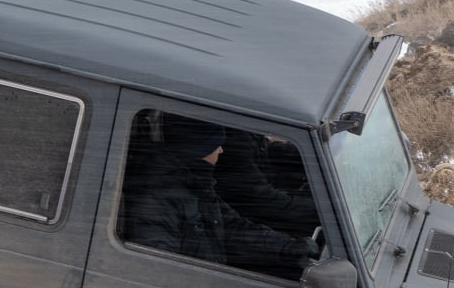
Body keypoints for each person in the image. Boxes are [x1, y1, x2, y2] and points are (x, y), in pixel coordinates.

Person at [122, 113, 318, 276]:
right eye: (216, 145)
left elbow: (234, 228)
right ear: (198, 151)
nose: (221, 150)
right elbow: (156, 271)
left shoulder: (196, 184)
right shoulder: (157, 199)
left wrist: (289, 248)